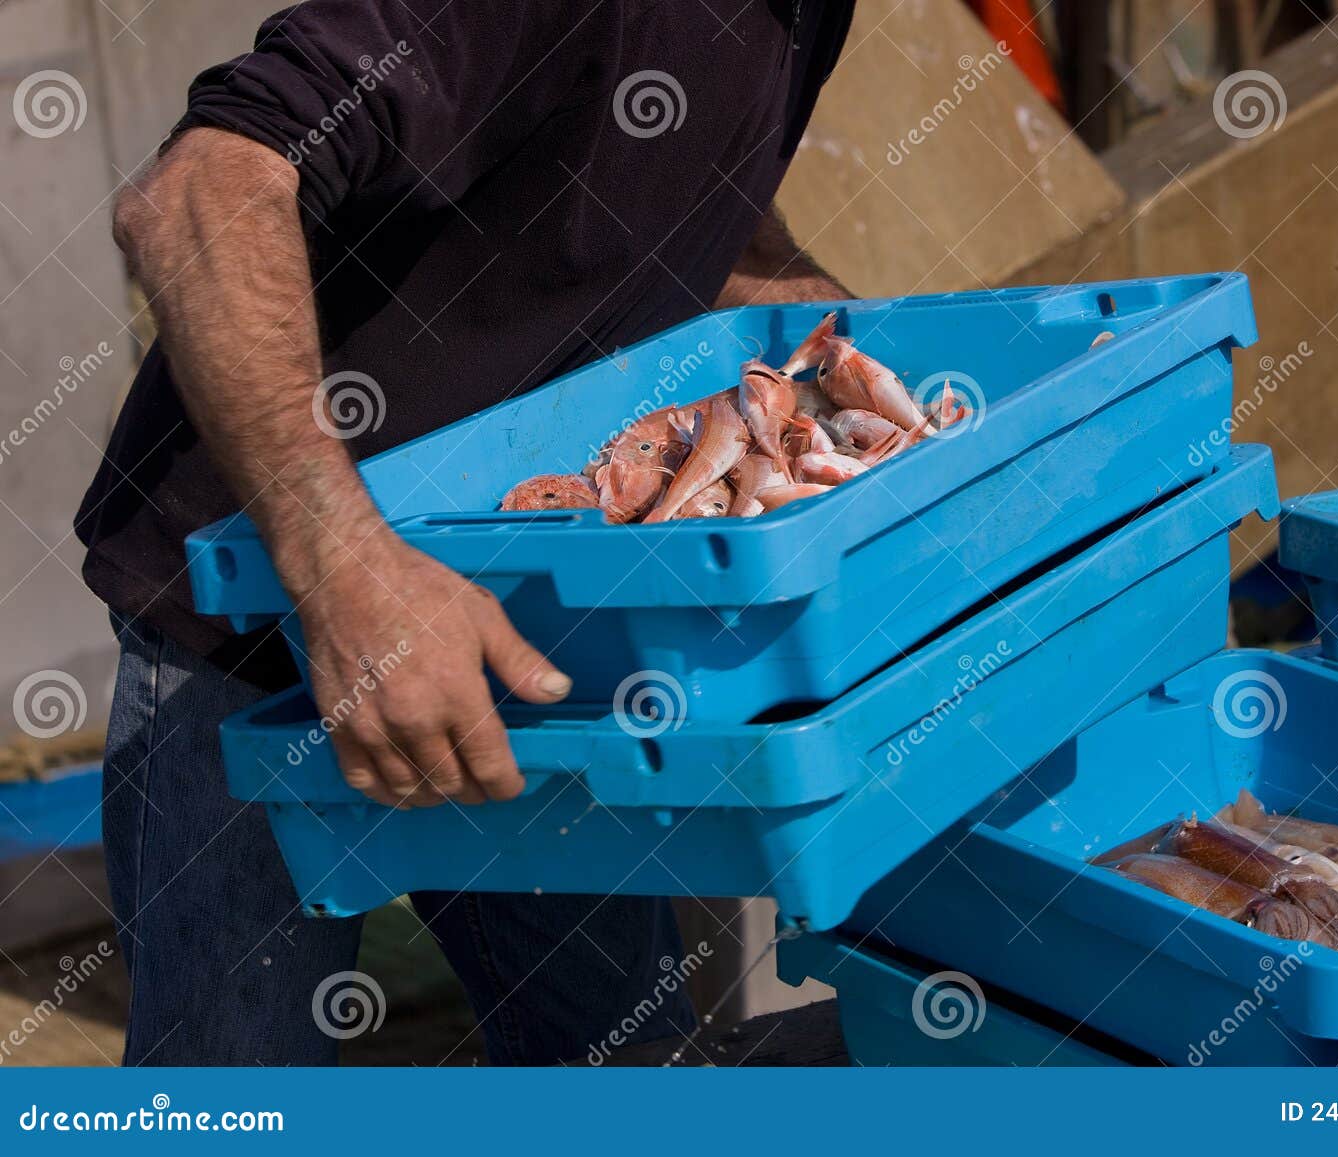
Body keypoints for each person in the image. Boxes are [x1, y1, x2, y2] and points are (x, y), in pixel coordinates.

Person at [75, 0, 855, 1065]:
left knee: (614, 1060)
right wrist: (346, 570)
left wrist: (863, 372)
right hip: (269, 617)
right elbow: (197, 194)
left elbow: (694, 199)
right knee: (223, 1084)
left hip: (528, 618)